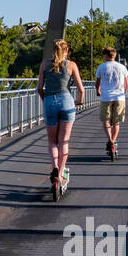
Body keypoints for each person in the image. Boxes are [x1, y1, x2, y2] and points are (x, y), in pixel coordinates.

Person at [39, 38, 83, 194]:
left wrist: (47, 101)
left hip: (50, 101)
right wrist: (78, 101)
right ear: (67, 51)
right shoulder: (71, 65)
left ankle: (55, 168)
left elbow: (39, 88)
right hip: (67, 102)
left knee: (52, 141)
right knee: (64, 140)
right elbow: (81, 89)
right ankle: (61, 172)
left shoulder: (44, 64)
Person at [95, 46, 128, 159]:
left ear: (105, 55)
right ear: (114, 55)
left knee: (106, 120)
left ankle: (110, 140)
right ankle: (113, 142)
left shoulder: (101, 67)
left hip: (106, 98)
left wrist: (98, 91)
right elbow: (127, 85)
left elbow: (97, 83)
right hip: (119, 98)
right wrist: (122, 93)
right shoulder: (122, 67)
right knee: (116, 122)